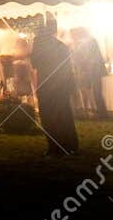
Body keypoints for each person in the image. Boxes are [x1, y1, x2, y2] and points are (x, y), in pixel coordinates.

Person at [31, 16, 80, 156]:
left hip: (46, 84)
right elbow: (68, 67)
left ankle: (55, 147)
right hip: (62, 84)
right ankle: (71, 144)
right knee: (64, 114)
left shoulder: (38, 43)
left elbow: (34, 63)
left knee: (48, 116)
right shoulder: (62, 46)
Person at [70, 27, 108, 118]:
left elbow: (89, 57)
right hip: (92, 70)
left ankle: (102, 113)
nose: (72, 37)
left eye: (73, 35)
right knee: (94, 92)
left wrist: (81, 61)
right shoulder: (88, 42)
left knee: (97, 92)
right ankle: (101, 112)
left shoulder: (90, 42)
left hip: (94, 70)